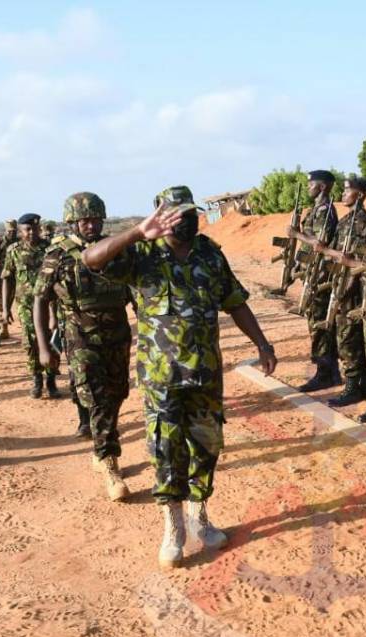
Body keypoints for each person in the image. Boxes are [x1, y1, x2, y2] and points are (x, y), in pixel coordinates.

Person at [81, 186, 277, 569]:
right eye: (176, 214)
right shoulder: (141, 255)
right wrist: (138, 232)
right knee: (166, 450)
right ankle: (173, 527)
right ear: (160, 215)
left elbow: (234, 301)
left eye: (190, 213)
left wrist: (263, 343)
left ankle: (199, 518)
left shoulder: (209, 253)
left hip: (205, 374)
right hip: (161, 377)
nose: (185, 221)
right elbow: (91, 260)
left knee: (207, 446)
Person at [34, 192, 133, 501]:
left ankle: (103, 444)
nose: (90, 225)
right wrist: (43, 346)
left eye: (95, 219)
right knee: (98, 395)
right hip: (80, 335)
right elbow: (40, 299)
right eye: (84, 220)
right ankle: (108, 459)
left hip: (117, 333)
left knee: (118, 392)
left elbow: (135, 292)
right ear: (72, 222)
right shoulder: (58, 255)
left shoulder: (116, 252)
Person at [315, 175, 366, 407]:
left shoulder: (362, 222)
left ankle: (354, 386)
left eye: (347, 190)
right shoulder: (346, 221)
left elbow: (357, 260)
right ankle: (360, 384)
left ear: (359, 195)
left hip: (352, 288)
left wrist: (326, 251)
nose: (342, 194)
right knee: (346, 339)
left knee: (349, 340)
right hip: (340, 283)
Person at [289, 170, 340, 392]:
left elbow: (320, 243)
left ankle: (324, 373)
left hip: (320, 274)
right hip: (311, 271)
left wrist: (296, 234)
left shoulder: (325, 210)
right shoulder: (315, 210)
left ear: (322, 187)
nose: (309, 188)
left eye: (312, 185)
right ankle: (330, 372)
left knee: (318, 323)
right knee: (315, 321)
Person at [2, 213, 61, 398]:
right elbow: (7, 279)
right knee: (30, 342)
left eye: (35, 229)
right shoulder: (14, 251)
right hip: (26, 306)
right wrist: (5, 307)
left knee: (53, 340)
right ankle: (36, 378)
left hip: (50, 304)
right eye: (27, 229)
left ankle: (51, 379)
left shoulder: (49, 249)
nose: (32, 233)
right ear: (20, 231)